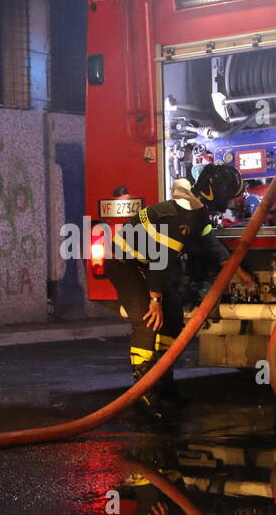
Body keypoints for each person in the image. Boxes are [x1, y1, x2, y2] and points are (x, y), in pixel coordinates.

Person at [104, 163, 256, 416]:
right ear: (216, 193)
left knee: (173, 319)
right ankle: (143, 392)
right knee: (148, 320)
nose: (230, 201)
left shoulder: (197, 213)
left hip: (147, 264)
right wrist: (154, 300)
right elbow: (159, 261)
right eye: (229, 195)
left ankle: (163, 385)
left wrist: (241, 275)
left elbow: (212, 246)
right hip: (125, 265)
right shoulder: (182, 218)